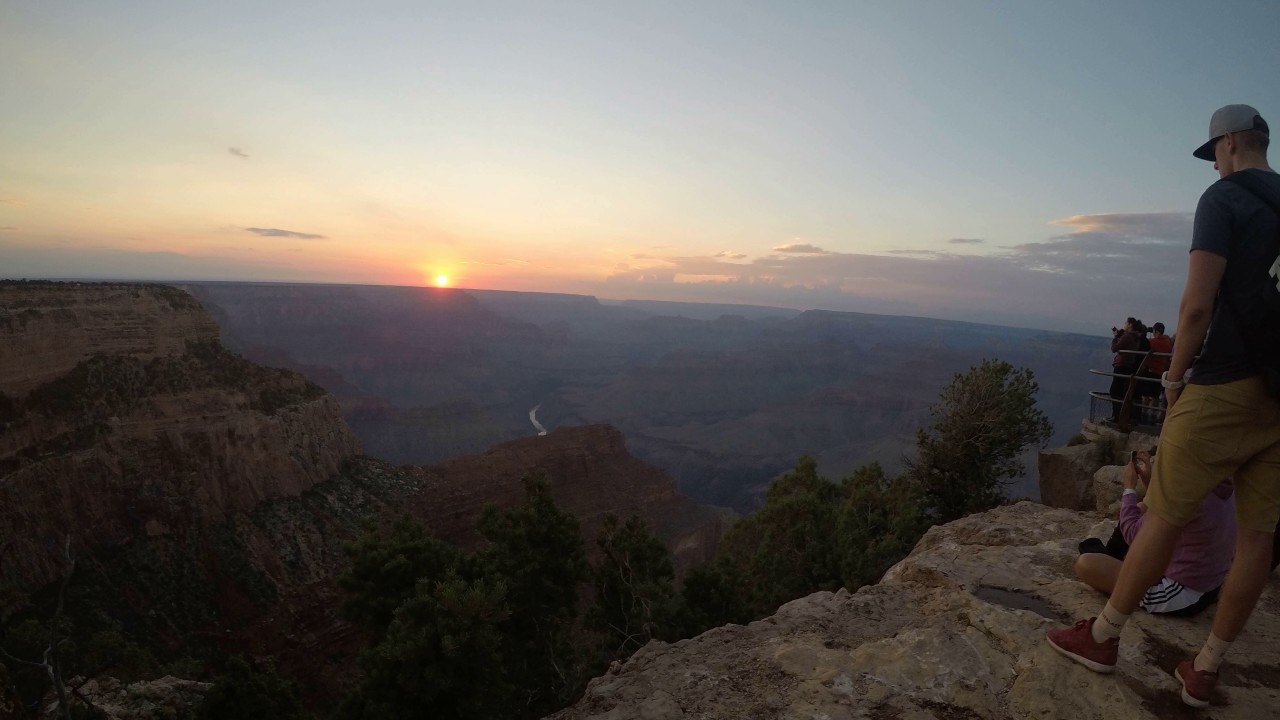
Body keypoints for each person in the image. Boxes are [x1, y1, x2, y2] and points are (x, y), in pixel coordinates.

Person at [1047, 104, 1280, 708]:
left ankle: (1103, 637)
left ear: (1228, 143)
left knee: (1166, 511)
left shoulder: (1224, 200)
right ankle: (1205, 670)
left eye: (1214, 153)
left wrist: (1174, 384)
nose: (1215, 164)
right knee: (1258, 538)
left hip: (1225, 383)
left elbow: (1196, 307)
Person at [1074, 450, 1234, 617]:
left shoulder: (1188, 493)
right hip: (1209, 586)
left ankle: (1110, 558)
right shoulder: (1218, 487)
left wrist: (1129, 487)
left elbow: (1131, 532)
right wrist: (1148, 481)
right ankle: (1112, 556)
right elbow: (1171, 509)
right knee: (1144, 507)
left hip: (1180, 593)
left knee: (1085, 564)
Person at [1108, 318, 1143, 422]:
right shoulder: (1134, 336)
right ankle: (1120, 415)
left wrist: (1115, 338)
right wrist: (1119, 334)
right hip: (1127, 366)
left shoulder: (1127, 336)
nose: (1124, 324)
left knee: (1115, 391)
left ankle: (1117, 416)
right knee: (1120, 391)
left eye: (1126, 323)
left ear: (1130, 325)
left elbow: (1115, 348)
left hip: (1121, 366)